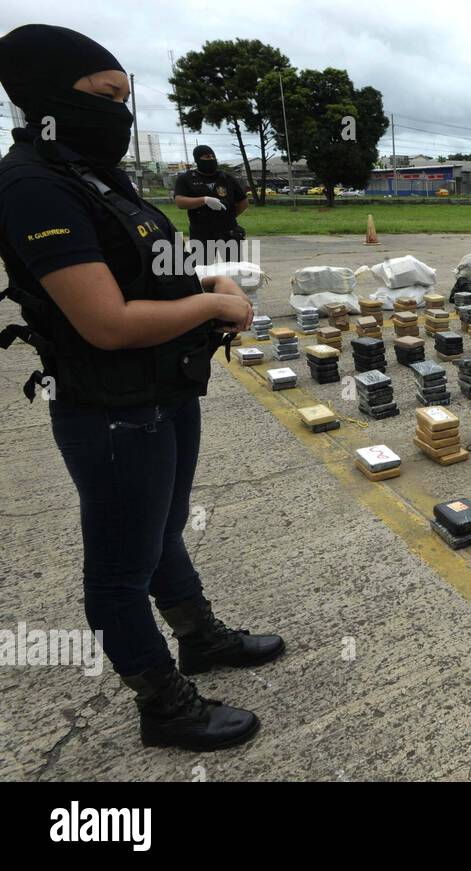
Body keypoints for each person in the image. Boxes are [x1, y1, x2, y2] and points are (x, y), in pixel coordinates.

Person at [0, 24, 283, 752]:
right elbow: (106, 320)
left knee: (162, 531)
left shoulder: (97, 174)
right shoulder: (33, 185)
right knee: (121, 565)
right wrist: (217, 305)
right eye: (105, 95)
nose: (121, 112)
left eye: (127, 96)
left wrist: (206, 279)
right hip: (112, 407)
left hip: (165, 391)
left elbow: (152, 270)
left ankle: (198, 635)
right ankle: (163, 701)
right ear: (44, 95)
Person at [173, 144, 249, 266]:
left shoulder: (227, 178)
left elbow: (243, 202)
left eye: (213, 156)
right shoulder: (187, 178)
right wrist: (204, 200)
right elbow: (180, 202)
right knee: (202, 270)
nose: (211, 159)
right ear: (197, 160)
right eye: (207, 157)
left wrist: (230, 216)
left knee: (235, 269)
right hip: (202, 232)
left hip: (228, 231)